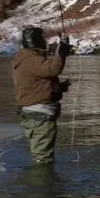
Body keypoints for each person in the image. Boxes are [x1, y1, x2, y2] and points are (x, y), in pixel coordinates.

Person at [12, 27, 72, 164]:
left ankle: (41, 182)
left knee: (41, 155)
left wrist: (58, 88)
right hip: (40, 115)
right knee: (43, 159)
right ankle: (42, 183)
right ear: (37, 42)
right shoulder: (31, 60)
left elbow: (33, 84)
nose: (45, 42)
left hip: (34, 114)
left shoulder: (26, 59)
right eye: (43, 39)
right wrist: (62, 51)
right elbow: (53, 69)